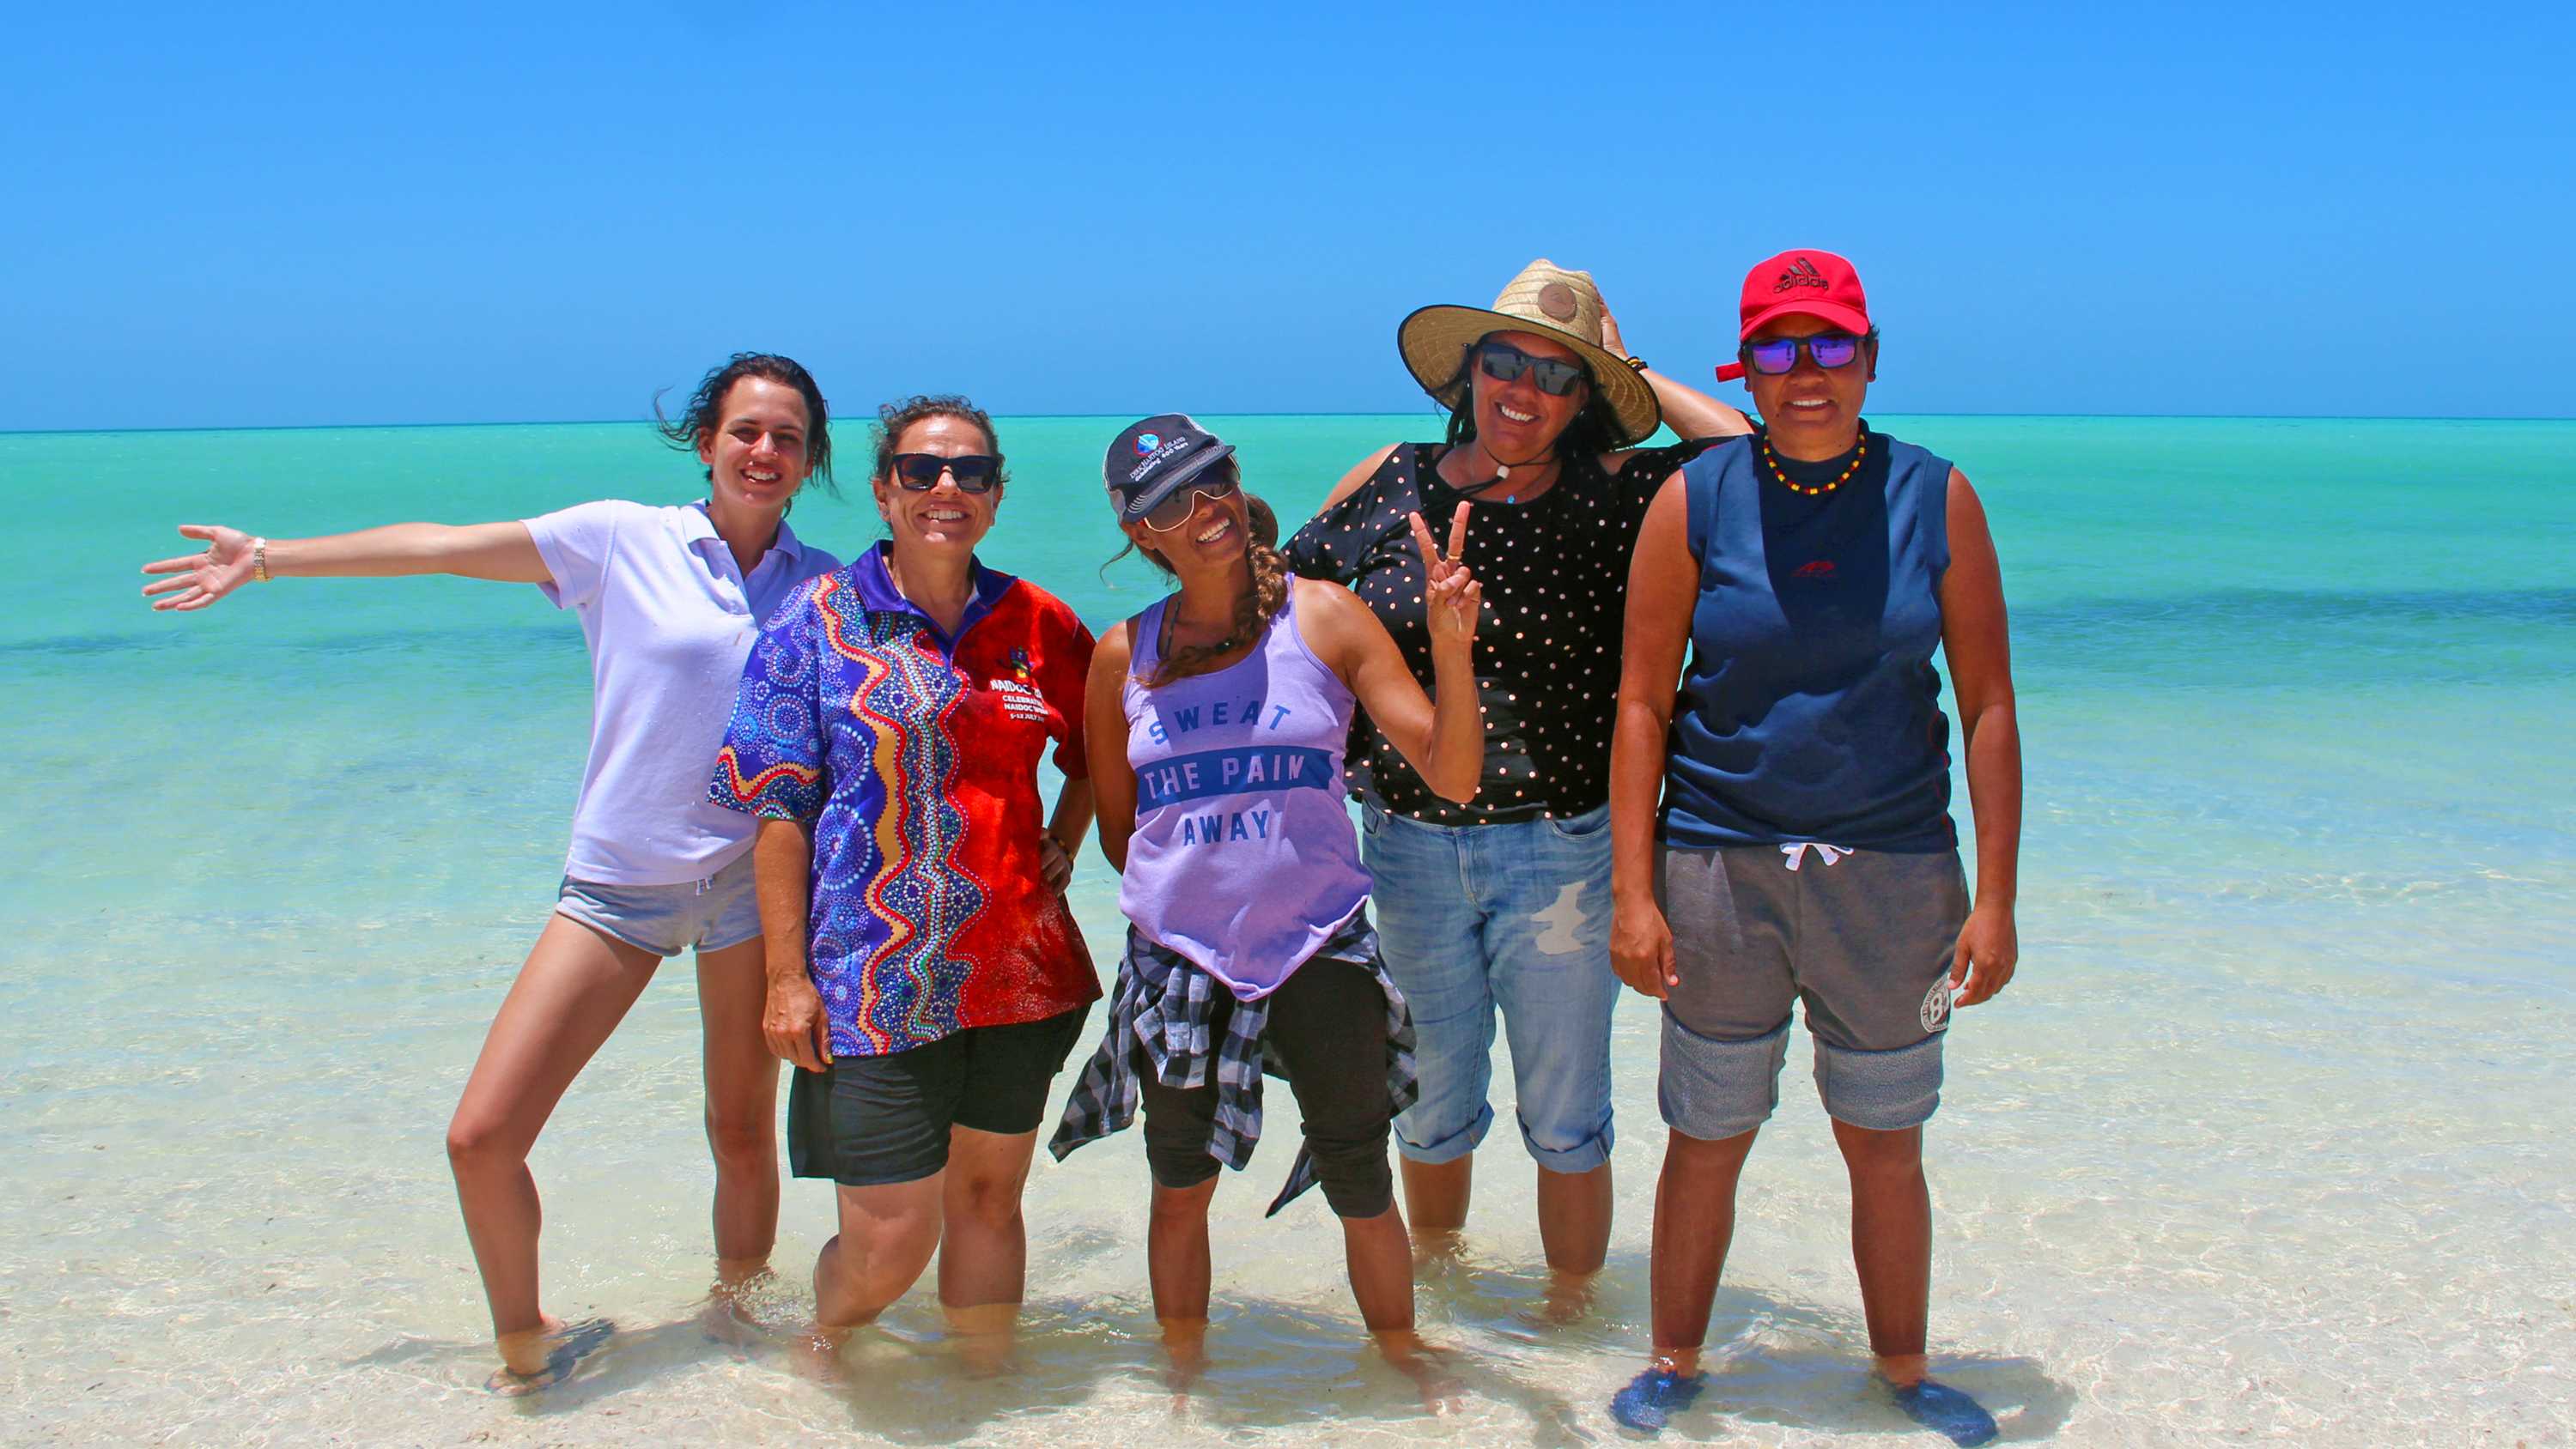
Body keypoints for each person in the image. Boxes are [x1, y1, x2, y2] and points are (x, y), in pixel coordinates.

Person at [137, 353, 844, 1392]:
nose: (765, 451)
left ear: (810, 456)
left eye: (787, 436)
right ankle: (528, 1334)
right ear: (707, 442)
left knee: (741, 1129)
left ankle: (735, 1313)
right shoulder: (621, 538)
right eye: (746, 429)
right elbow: (442, 547)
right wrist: (272, 557)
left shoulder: (822, 583)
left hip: (750, 887)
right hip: (618, 883)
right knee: (482, 1134)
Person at [1604, 250, 2021, 1446]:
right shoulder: (1699, 499)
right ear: (1751, 368)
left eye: (1831, 346)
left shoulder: (1935, 497)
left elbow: (1989, 706)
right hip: (1719, 863)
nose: (1807, 374)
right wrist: (1636, 892)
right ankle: (1676, 1364)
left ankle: (1902, 1369)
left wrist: (1995, 901)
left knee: (1885, 1141)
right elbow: (1642, 704)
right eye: (1781, 349)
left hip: (1893, 874)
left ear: (1871, 361)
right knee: (1708, 1134)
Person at [1280, 259, 1751, 1300]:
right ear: (1469, 372)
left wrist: (1630, 364)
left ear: (1585, 403)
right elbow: (1287, 608)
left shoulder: (1621, 494)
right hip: (1403, 838)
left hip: (1561, 845)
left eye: (1557, 374)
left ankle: (1574, 1321)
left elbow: (1746, 456)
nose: (1523, 392)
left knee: (1567, 1111)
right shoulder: (1390, 478)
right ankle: (1446, 1305)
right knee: (1430, 1098)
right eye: (1506, 363)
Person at [1049, 415, 1484, 1387]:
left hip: (1319, 943)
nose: (1200, 511)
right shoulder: (1125, 655)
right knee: (1179, 1185)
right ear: (1138, 530)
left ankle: (1404, 1369)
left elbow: (1452, 774)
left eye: (1212, 482)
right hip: (1181, 960)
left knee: (1360, 1174)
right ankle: (1185, 1385)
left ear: (1236, 484)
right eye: (1169, 501)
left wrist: (1452, 647)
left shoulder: (1325, 617)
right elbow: (1122, 832)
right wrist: (1201, 886)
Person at [710, 395, 1099, 1370]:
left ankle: (979, 1396)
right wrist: (786, 977)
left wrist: (1067, 835)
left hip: (1021, 972)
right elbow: (777, 808)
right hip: (873, 983)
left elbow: (1100, 749)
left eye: (970, 473)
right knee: (889, 1241)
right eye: (922, 470)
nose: (945, 489)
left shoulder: (1039, 621)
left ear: (997, 496)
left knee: (987, 1202)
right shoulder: (817, 621)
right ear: (885, 490)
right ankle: (821, 1344)